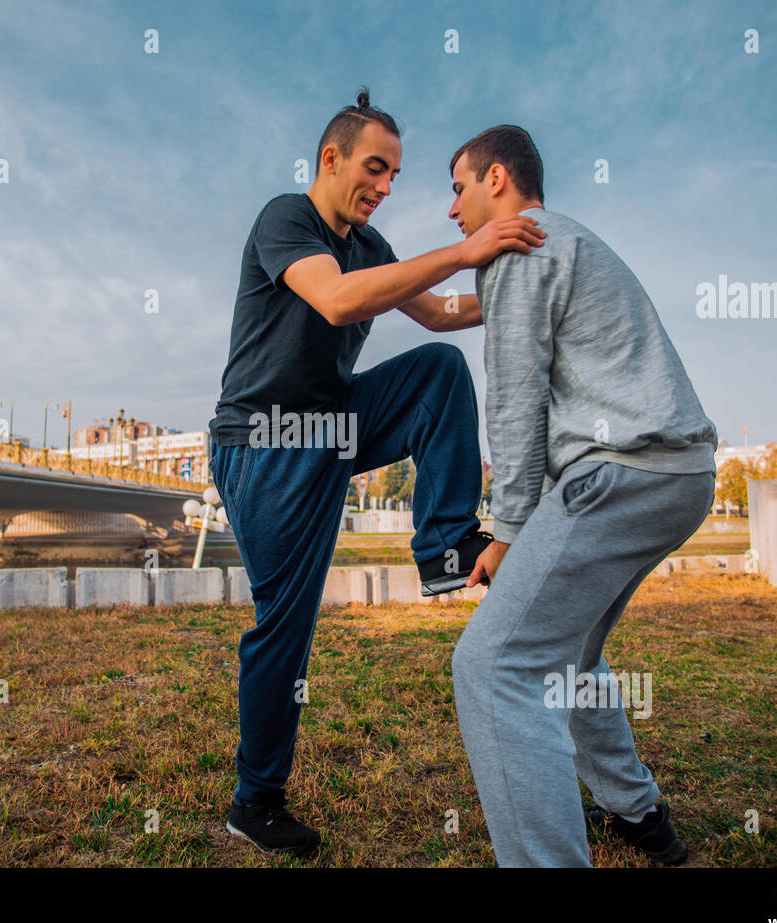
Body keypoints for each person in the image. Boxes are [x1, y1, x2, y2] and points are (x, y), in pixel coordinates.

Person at [208, 90, 545, 855]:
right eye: (375, 168)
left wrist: (523, 277)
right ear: (331, 159)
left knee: (438, 373)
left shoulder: (373, 243)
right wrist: (464, 248)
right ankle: (254, 801)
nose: (386, 186)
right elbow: (334, 300)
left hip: (331, 428)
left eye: (394, 174)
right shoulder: (285, 220)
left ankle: (445, 546)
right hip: (263, 441)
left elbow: (440, 314)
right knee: (284, 629)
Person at [447, 124, 718, 867]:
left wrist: (506, 531)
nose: (452, 208)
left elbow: (514, 397)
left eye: (457, 186)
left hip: (619, 472)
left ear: (497, 178)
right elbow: (442, 313)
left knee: (494, 665)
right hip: (680, 476)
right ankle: (637, 813)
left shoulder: (518, 247)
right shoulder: (566, 242)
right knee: (571, 650)